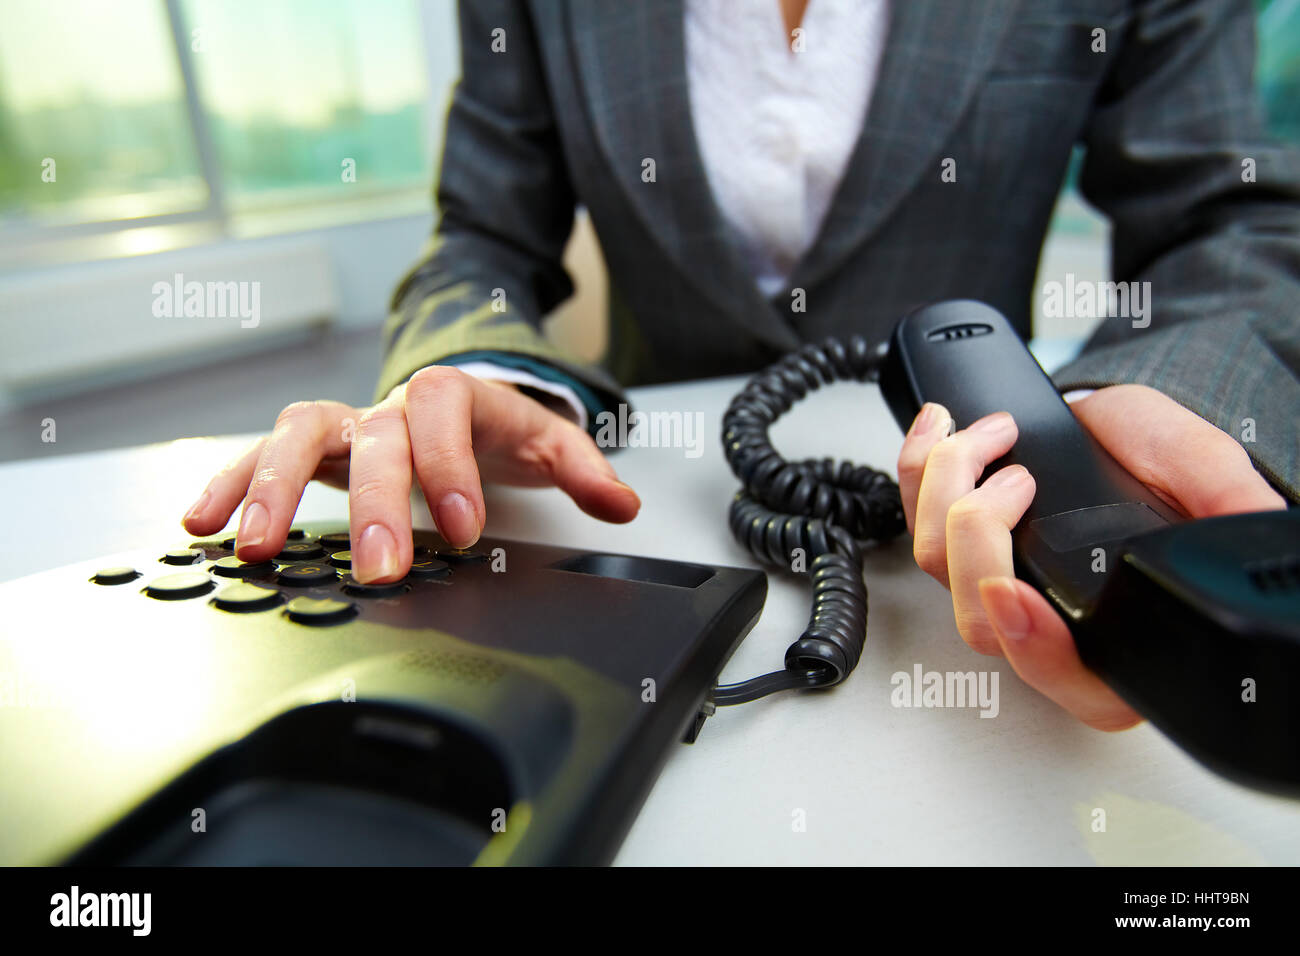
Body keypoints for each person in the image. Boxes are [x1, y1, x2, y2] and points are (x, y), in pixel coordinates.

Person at [183, 0, 1299, 730]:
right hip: (637, 526)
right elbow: (480, 236)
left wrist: (1110, 429)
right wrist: (482, 367)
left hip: (974, 526)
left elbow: (1230, 223)